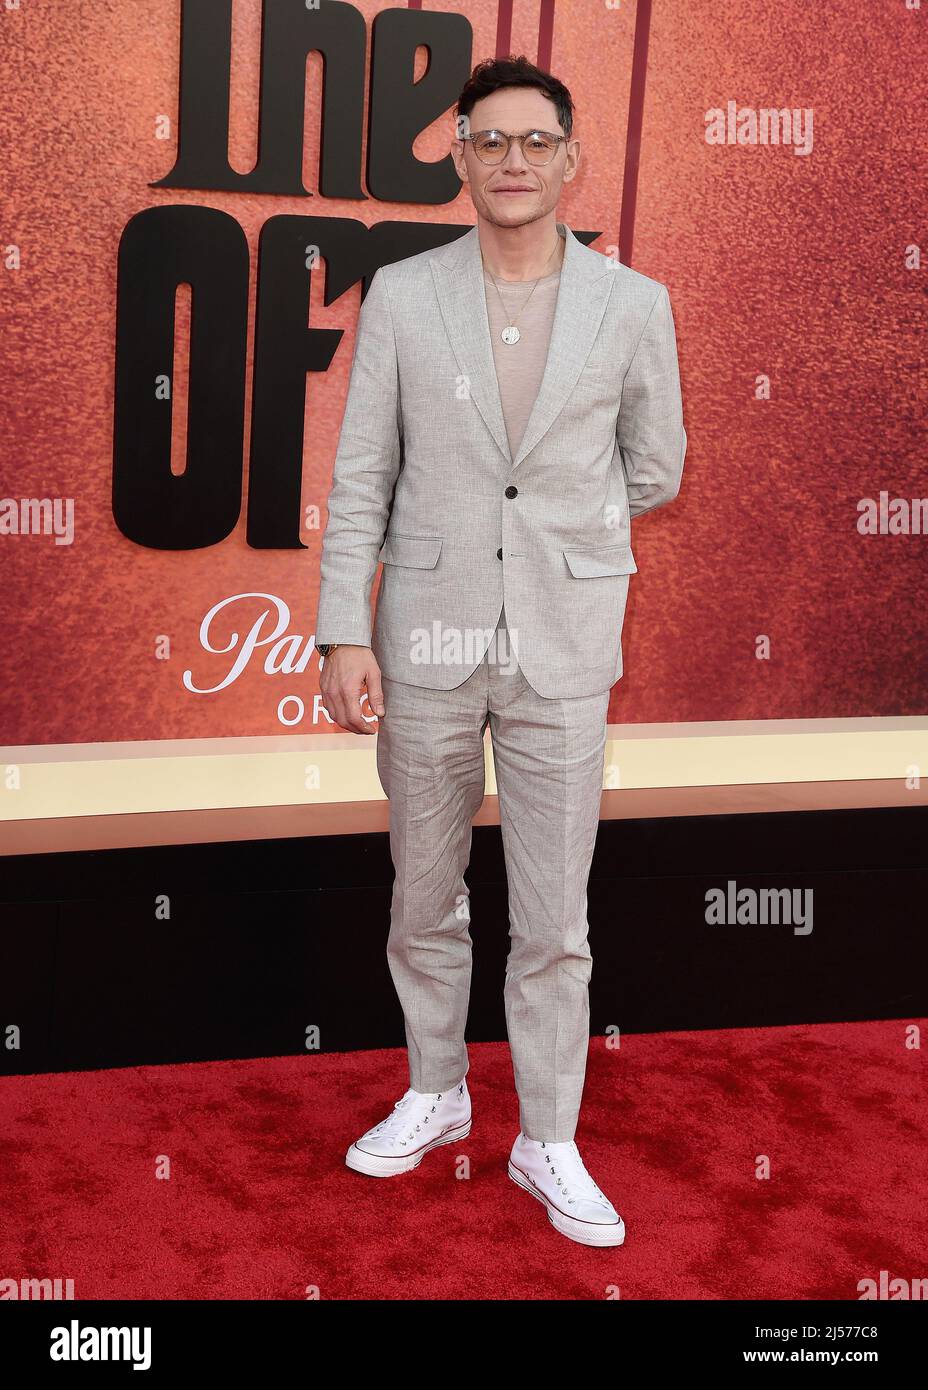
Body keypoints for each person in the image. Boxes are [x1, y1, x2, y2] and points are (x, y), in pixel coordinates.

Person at [315, 54, 686, 1247]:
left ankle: (547, 1136)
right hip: (422, 635)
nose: (514, 160)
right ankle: (434, 1090)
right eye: (491, 140)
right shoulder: (404, 293)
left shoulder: (634, 305)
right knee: (422, 895)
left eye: (537, 141)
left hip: (564, 643)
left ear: (572, 159)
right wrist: (339, 628)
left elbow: (656, 464)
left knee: (552, 916)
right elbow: (363, 471)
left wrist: (560, 531)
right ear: (461, 156)